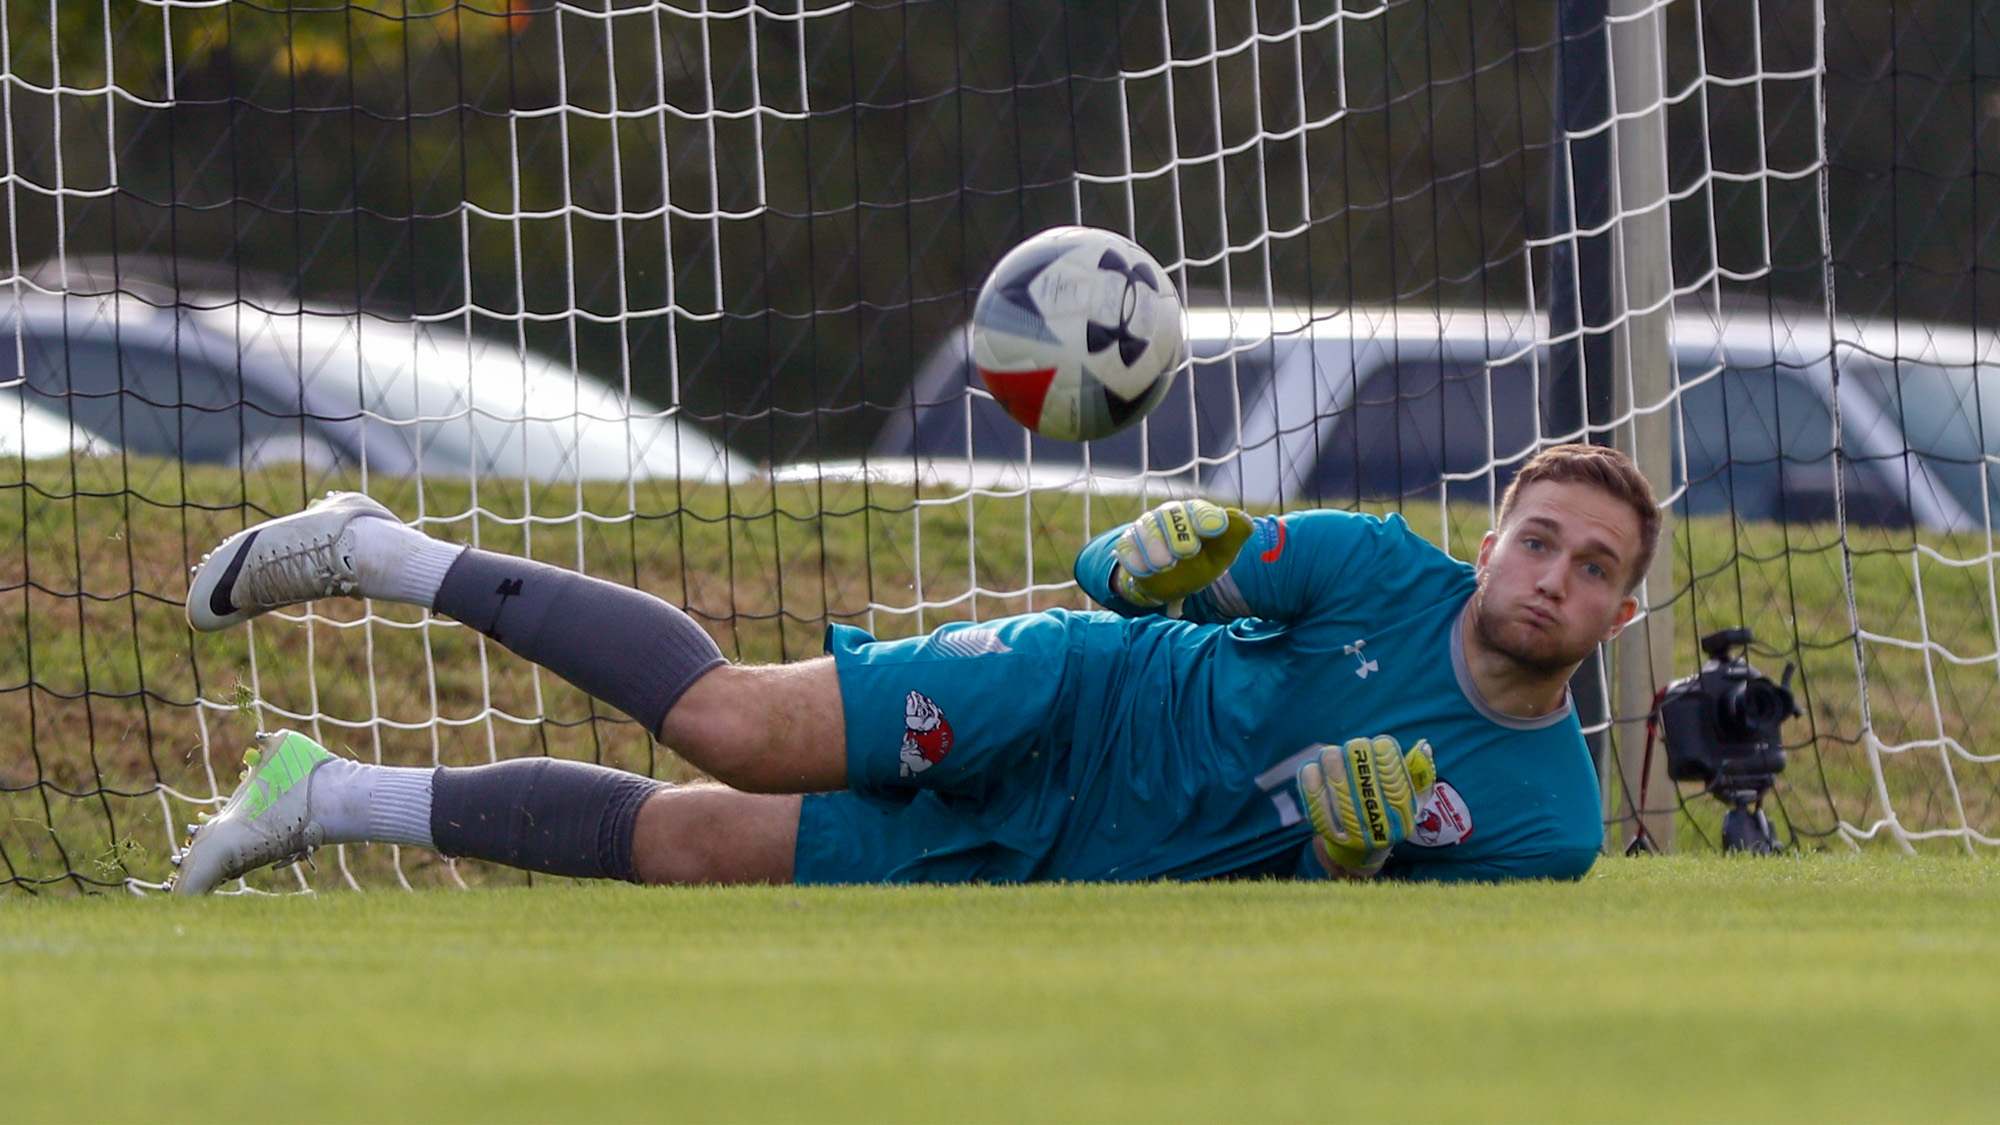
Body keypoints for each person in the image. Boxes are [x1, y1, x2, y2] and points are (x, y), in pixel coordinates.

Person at [169, 443, 1657, 895]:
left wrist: (1354, 873)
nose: (1553, 576)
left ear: (1622, 613)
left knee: (690, 844)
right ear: (1488, 543)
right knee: (735, 725)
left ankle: (320, 793)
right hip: (1077, 691)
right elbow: (1110, 578)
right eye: (1538, 540)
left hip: (1091, 857)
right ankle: (373, 549)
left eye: (1593, 568)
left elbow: (1394, 1005)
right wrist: (1155, 557)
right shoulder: (1370, 561)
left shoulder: (1553, 819)